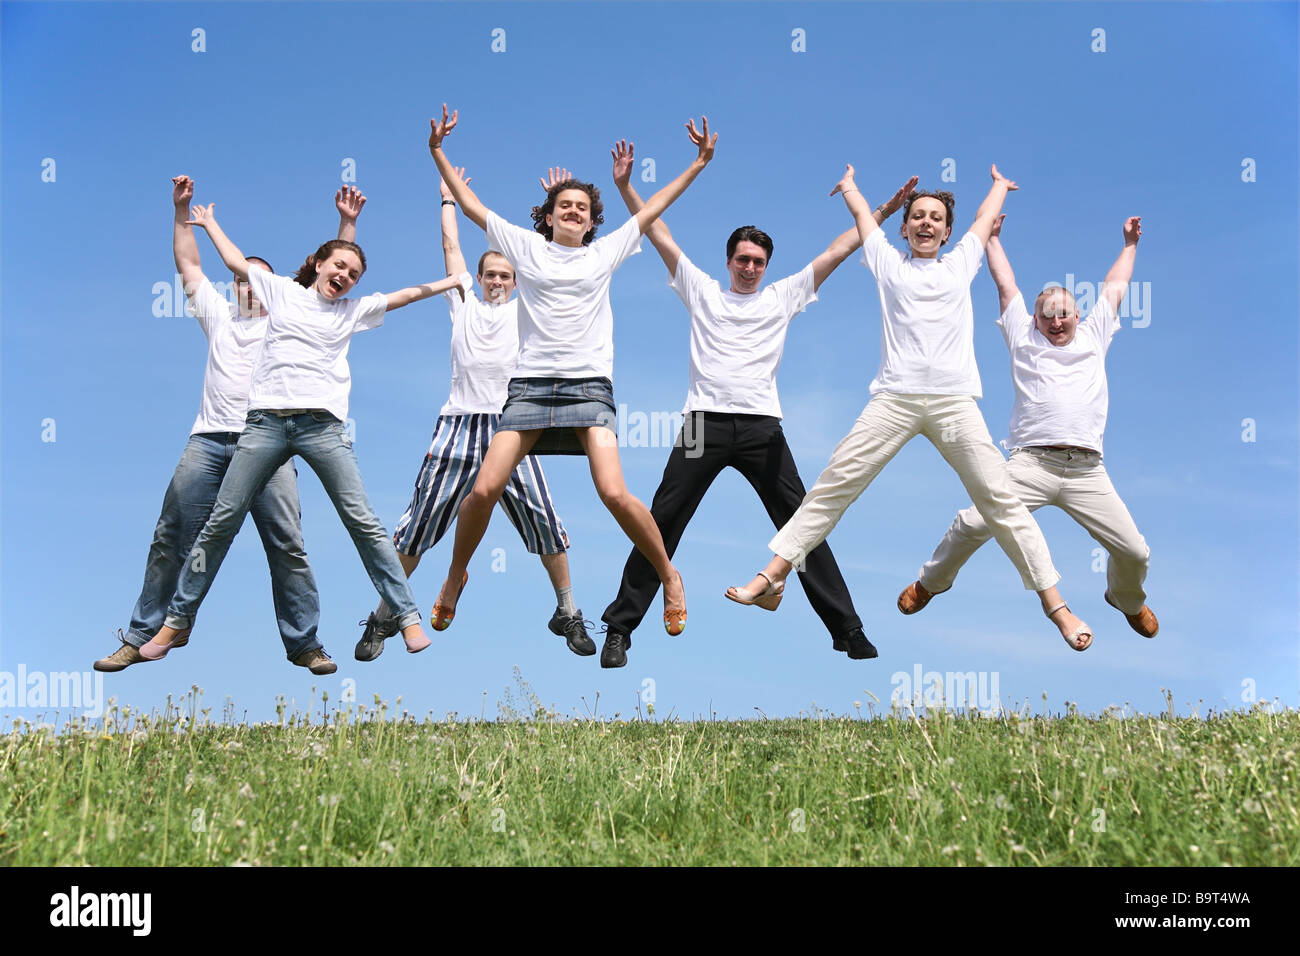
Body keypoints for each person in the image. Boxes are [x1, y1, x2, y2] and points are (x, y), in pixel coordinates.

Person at [729, 164, 1096, 652]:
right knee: (836, 483)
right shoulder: (888, 263)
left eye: (936, 218)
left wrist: (999, 187)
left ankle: (1057, 607)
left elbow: (983, 222)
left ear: (947, 231)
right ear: (903, 228)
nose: (926, 223)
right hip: (894, 399)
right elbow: (863, 221)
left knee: (1000, 500)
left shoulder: (961, 262)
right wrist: (852, 188)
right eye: (917, 216)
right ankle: (772, 575)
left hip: (954, 402)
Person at [596, 141, 918, 668]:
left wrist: (880, 210)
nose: (750, 267)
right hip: (703, 424)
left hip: (763, 428)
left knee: (805, 522)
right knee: (661, 520)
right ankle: (619, 629)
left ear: (767, 266)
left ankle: (849, 630)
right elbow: (657, 232)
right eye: (742, 259)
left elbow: (839, 250)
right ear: (728, 262)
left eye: (758, 261)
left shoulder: (782, 295)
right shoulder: (701, 290)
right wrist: (626, 186)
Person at [426, 104, 717, 638]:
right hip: (530, 389)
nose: (575, 212)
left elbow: (652, 210)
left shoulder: (604, 253)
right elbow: (469, 206)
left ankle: (669, 577)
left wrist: (697, 165)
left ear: (591, 218)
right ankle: (452, 580)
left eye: (583, 207)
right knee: (484, 490)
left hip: (588, 387)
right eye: (566, 205)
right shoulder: (524, 247)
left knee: (612, 492)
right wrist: (438, 151)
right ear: (550, 212)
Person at [138, 194, 466, 663]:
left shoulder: (352, 310)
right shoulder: (280, 292)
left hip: (323, 429)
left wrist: (448, 281)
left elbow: (404, 296)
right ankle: (173, 624)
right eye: (338, 268)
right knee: (219, 524)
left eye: (353, 275)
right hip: (265, 425)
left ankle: (407, 616)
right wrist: (208, 222)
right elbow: (233, 261)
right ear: (315, 265)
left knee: (363, 522)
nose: (345, 277)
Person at [94, 176, 364, 675]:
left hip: (270, 444)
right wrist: (182, 212)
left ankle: (304, 643)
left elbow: (331, 273)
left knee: (288, 543)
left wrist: (347, 224)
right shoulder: (218, 316)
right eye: (241, 278)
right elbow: (189, 263)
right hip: (208, 440)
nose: (247, 285)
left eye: (256, 279)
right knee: (170, 534)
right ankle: (145, 633)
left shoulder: (290, 314)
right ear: (233, 285)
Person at [355, 167, 593, 661]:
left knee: (544, 519)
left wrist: (551, 198)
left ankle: (568, 610)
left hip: (514, 424)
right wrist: (447, 201)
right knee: (418, 523)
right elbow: (451, 251)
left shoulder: (526, 303)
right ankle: (384, 615)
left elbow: (542, 254)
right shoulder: (462, 300)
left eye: (507, 275)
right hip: (459, 424)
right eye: (492, 275)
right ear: (480, 280)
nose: (500, 281)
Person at [899, 215, 1156, 638]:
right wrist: (993, 240)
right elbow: (1006, 287)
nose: (1057, 323)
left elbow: (1114, 288)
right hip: (1030, 466)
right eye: (1047, 315)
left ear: (1078, 314)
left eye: (1064, 314)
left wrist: (1129, 245)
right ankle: (930, 584)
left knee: (1134, 551)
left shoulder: (1094, 336)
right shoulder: (1023, 339)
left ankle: (1126, 599)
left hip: (1087, 471)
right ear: (1034, 319)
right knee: (972, 523)